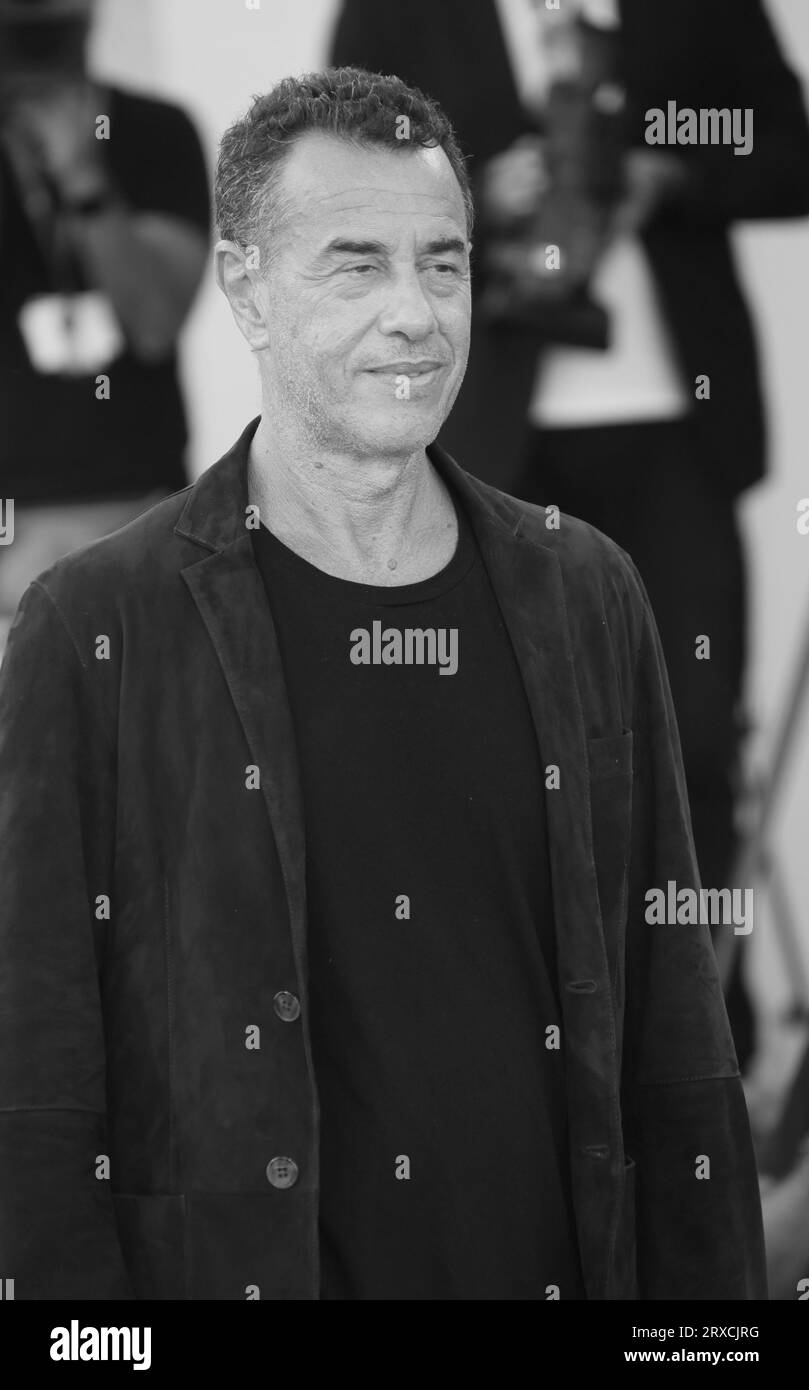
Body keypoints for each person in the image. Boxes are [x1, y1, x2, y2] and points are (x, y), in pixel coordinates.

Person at [0, 66, 765, 1301]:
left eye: (445, 262)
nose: (415, 313)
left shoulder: (585, 593)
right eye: (355, 264)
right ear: (244, 288)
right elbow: (34, 1082)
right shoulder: (95, 626)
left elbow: (675, 1033)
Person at [329, 0, 809, 1079]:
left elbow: (786, 151)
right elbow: (331, 179)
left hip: (676, 427)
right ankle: (519, 1039)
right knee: (485, 745)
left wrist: (668, 173)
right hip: (484, 424)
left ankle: (694, 1033)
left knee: (684, 739)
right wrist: (450, 198)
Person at [0, 0, 209, 651]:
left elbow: (152, 321)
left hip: (137, 512)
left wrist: (82, 179)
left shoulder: (154, 131)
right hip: (10, 526)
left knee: (140, 745)